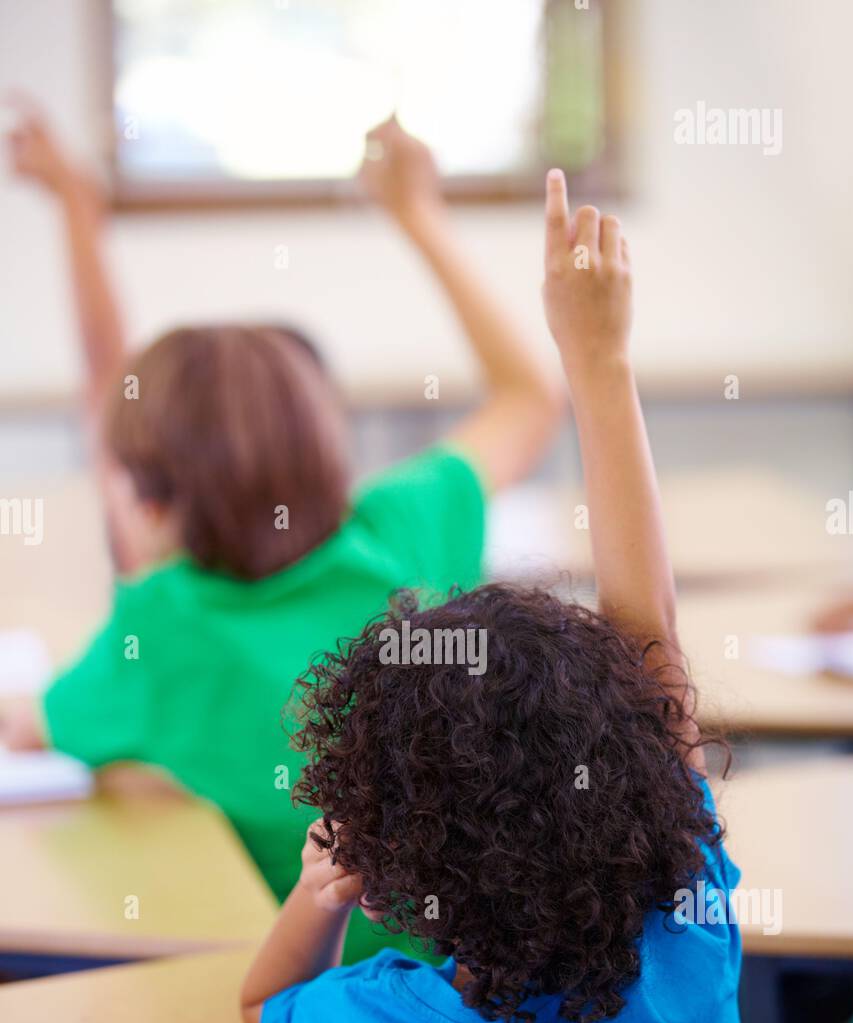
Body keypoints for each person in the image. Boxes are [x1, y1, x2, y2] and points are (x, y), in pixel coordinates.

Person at [240, 175, 771, 1023]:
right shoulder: (689, 921)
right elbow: (652, 645)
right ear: (632, 777)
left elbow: (256, 1011)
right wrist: (599, 359)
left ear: (385, 873)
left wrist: (317, 894)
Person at [1, 114, 563, 964]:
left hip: (311, 1005)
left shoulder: (157, 624)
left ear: (148, 499)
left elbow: (34, 724)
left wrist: (78, 212)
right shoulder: (406, 527)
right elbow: (530, 394)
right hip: (485, 981)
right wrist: (420, 214)